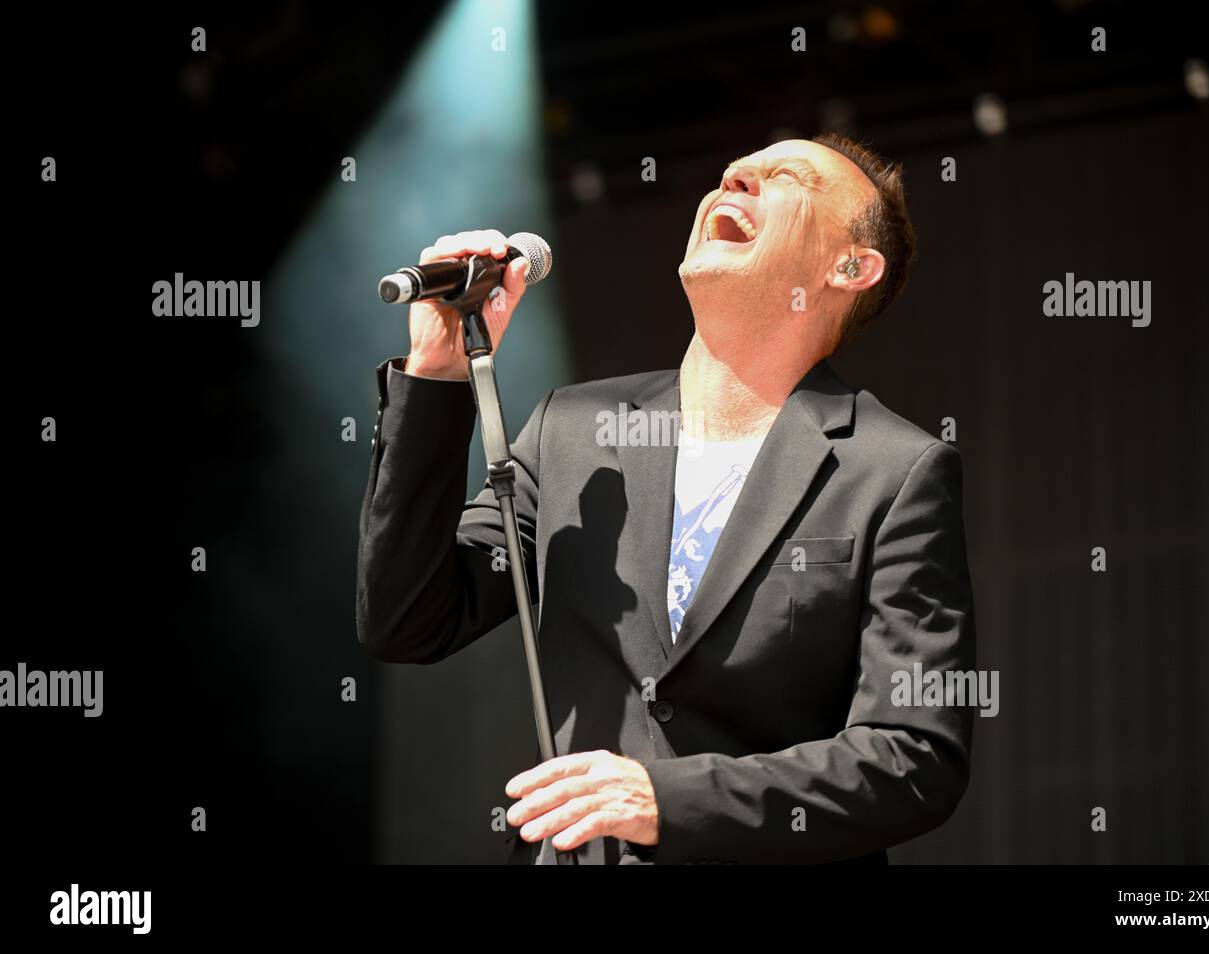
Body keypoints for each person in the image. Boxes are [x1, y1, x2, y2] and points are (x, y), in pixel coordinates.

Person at [357, 133, 977, 864]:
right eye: (737, 166)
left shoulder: (892, 471)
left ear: (850, 266)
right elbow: (407, 619)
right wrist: (435, 373)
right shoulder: (575, 432)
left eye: (786, 176)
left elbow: (914, 757)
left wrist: (670, 801)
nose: (736, 173)